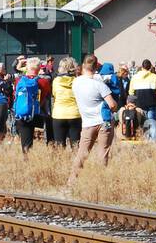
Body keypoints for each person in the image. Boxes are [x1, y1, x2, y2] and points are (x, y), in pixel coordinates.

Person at [68, 55, 118, 187]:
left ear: (83, 65)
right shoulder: (99, 85)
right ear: (96, 67)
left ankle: (72, 181)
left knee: (82, 153)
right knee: (103, 152)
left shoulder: (76, 82)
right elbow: (112, 105)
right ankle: (100, 183)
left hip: (87, 122)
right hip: (104, 121)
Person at [49, 57, 80, 147]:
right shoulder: (77, 81)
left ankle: (61, 160)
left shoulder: (56, 81)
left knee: (59, 145)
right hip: (75, 113)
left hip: (59, 114)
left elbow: (54, 94)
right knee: (75, 145)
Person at [13, 60, 42, 152]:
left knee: (25, 141)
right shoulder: (41, 82)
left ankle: (26, 159)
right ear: (39, 69)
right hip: (35, 113)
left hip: (21, 113)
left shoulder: (19, 80)